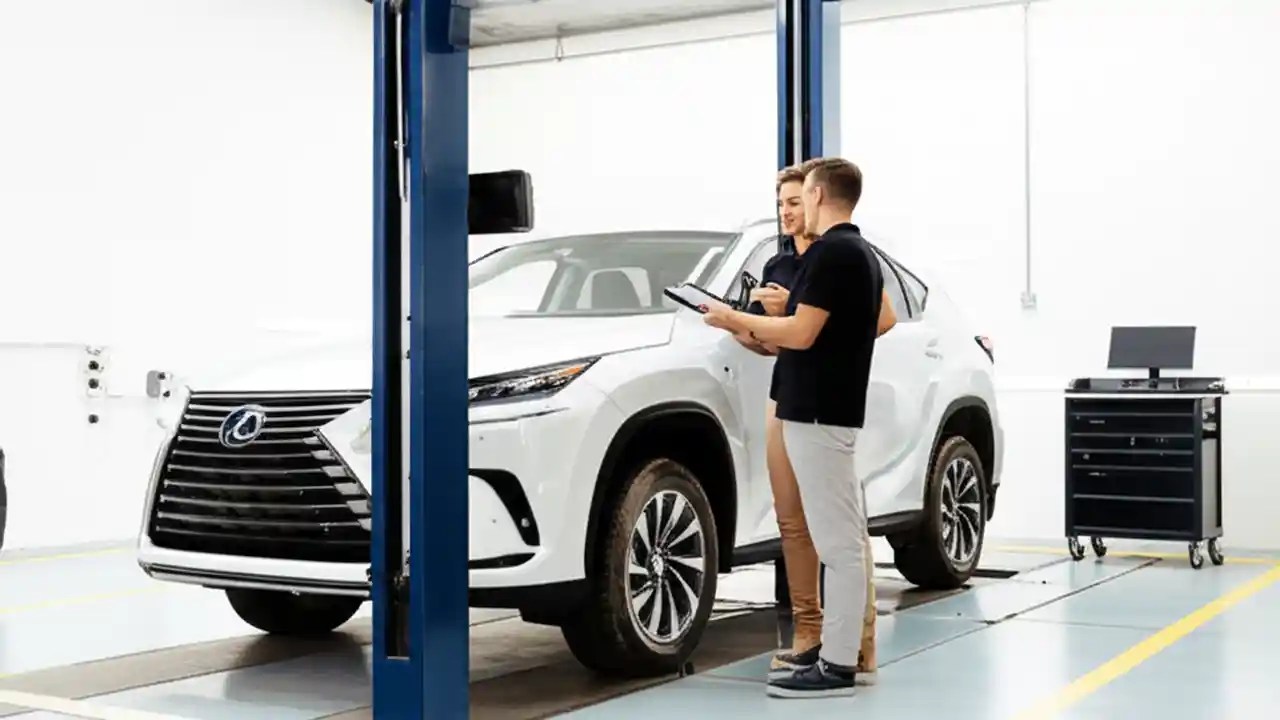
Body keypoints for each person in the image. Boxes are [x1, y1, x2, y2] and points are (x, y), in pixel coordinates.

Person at [704, 156, 882, 698]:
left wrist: (731, 317)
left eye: (801, 194)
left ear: (821, 195)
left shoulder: (834, 253)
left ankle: (836, 665)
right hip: (822, 409)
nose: (794, 205)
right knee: (840, 539)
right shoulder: (857, 254)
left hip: (818, 411)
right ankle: (835, 655)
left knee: (838, 544)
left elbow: (802, 334)